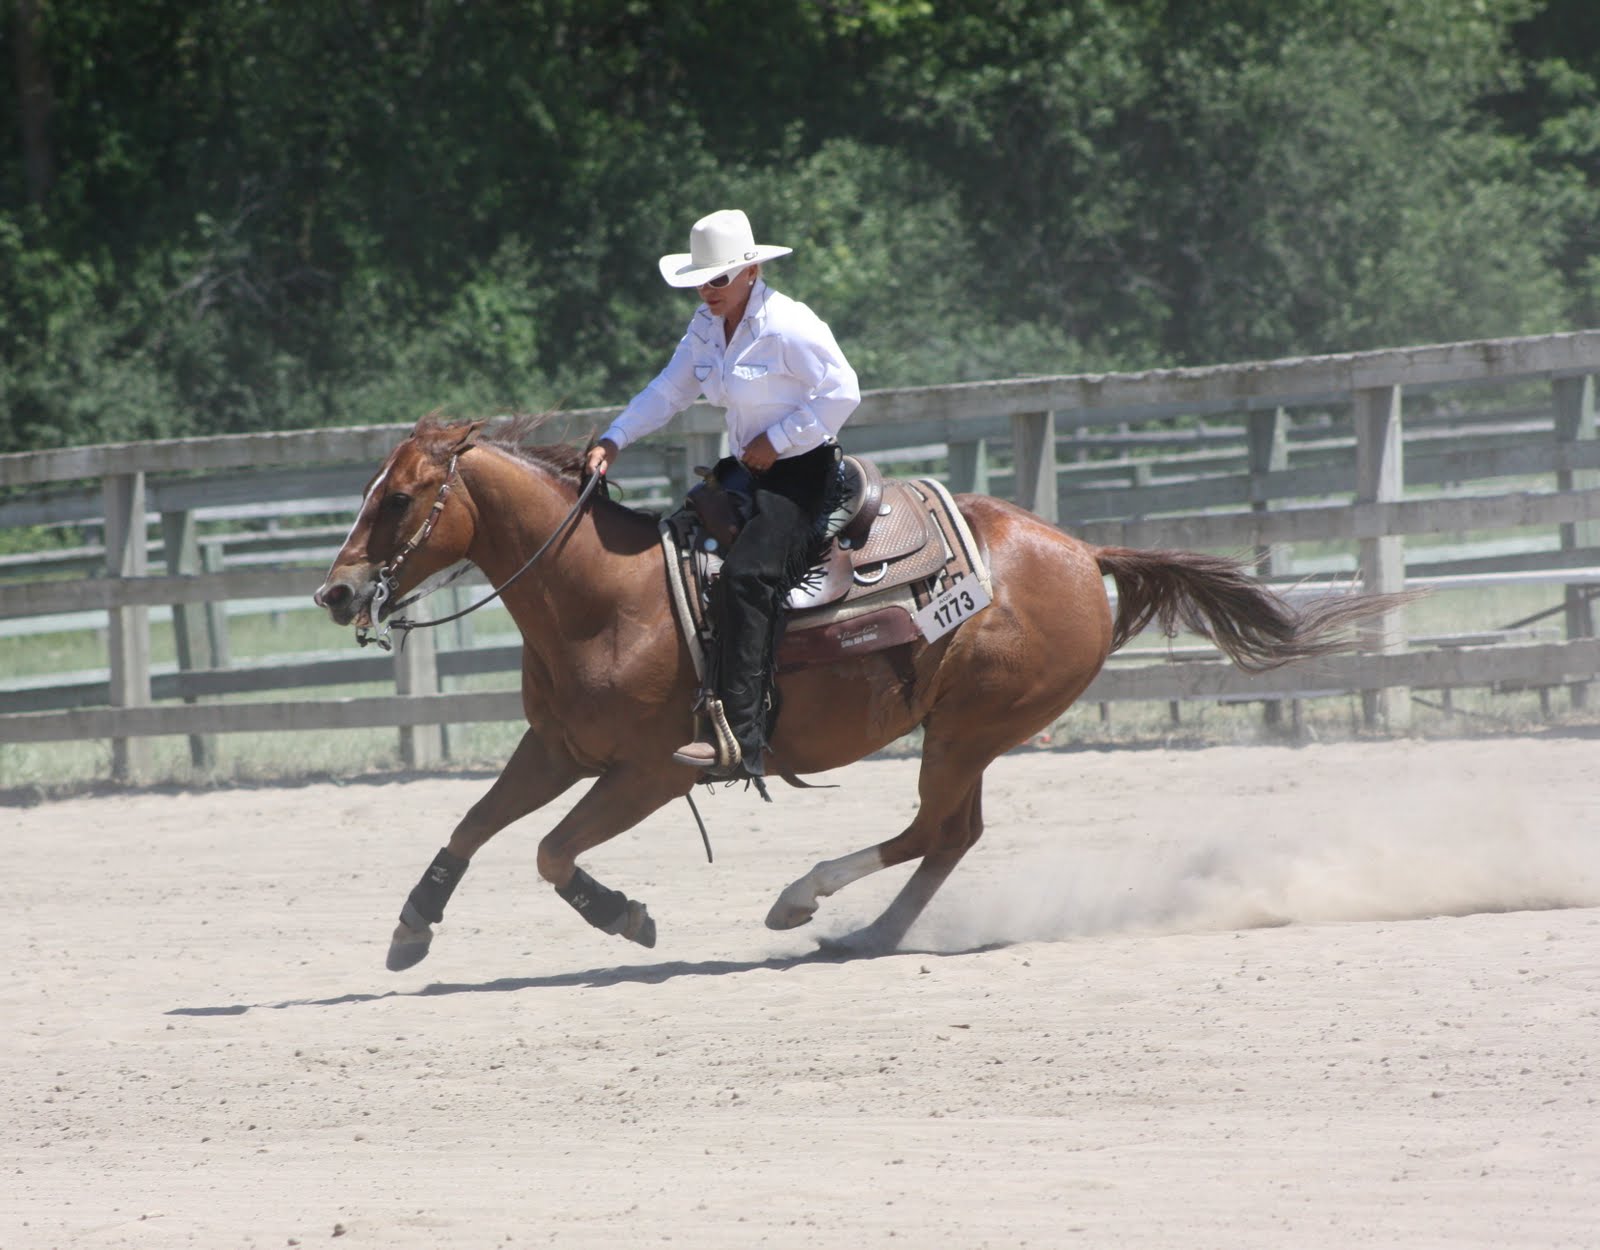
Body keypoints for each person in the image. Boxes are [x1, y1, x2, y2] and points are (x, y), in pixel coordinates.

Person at [584, 208, 860, 777]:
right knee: (671, 552)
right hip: (746, 467)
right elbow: (669, 390)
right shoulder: (706, 326)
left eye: (717, 279)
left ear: (751, 272)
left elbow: (843, 392)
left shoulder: (789, 326)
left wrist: (778, 440)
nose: (706, 291)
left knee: (746, 576)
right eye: (699, 280)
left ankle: (742, 736)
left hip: (802, 471)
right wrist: (615, 438)